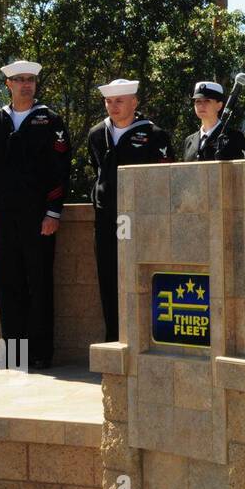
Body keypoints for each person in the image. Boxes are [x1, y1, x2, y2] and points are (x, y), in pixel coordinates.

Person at [0, 60, 71, 370]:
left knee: (39, 282)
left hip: (38, 217)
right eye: (19, 80)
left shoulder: (50, 121)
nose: (26, 84)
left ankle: (40, 353)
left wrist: (53, 212)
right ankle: (14, 353)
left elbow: (61, 171)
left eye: (30, 79)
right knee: (8, 282)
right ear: (8, 85)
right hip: (2, 217)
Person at [87, 79, 173, 342]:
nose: (113, 106)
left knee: (141, 280)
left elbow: (165, 178)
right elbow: (97, 169)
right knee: (108, 280)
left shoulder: (154, 135)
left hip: (141, 220)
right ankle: (114, 340)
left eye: (120, 101)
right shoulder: (96, 134)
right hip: (106, 218)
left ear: (134, 102)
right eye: (109, 101)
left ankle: (144, 341)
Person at [182, 81, 245, 161]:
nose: (201, 105)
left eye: (207, 101)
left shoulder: (234, 137)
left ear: (219, 106)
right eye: (198, 101)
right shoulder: (189, 141)